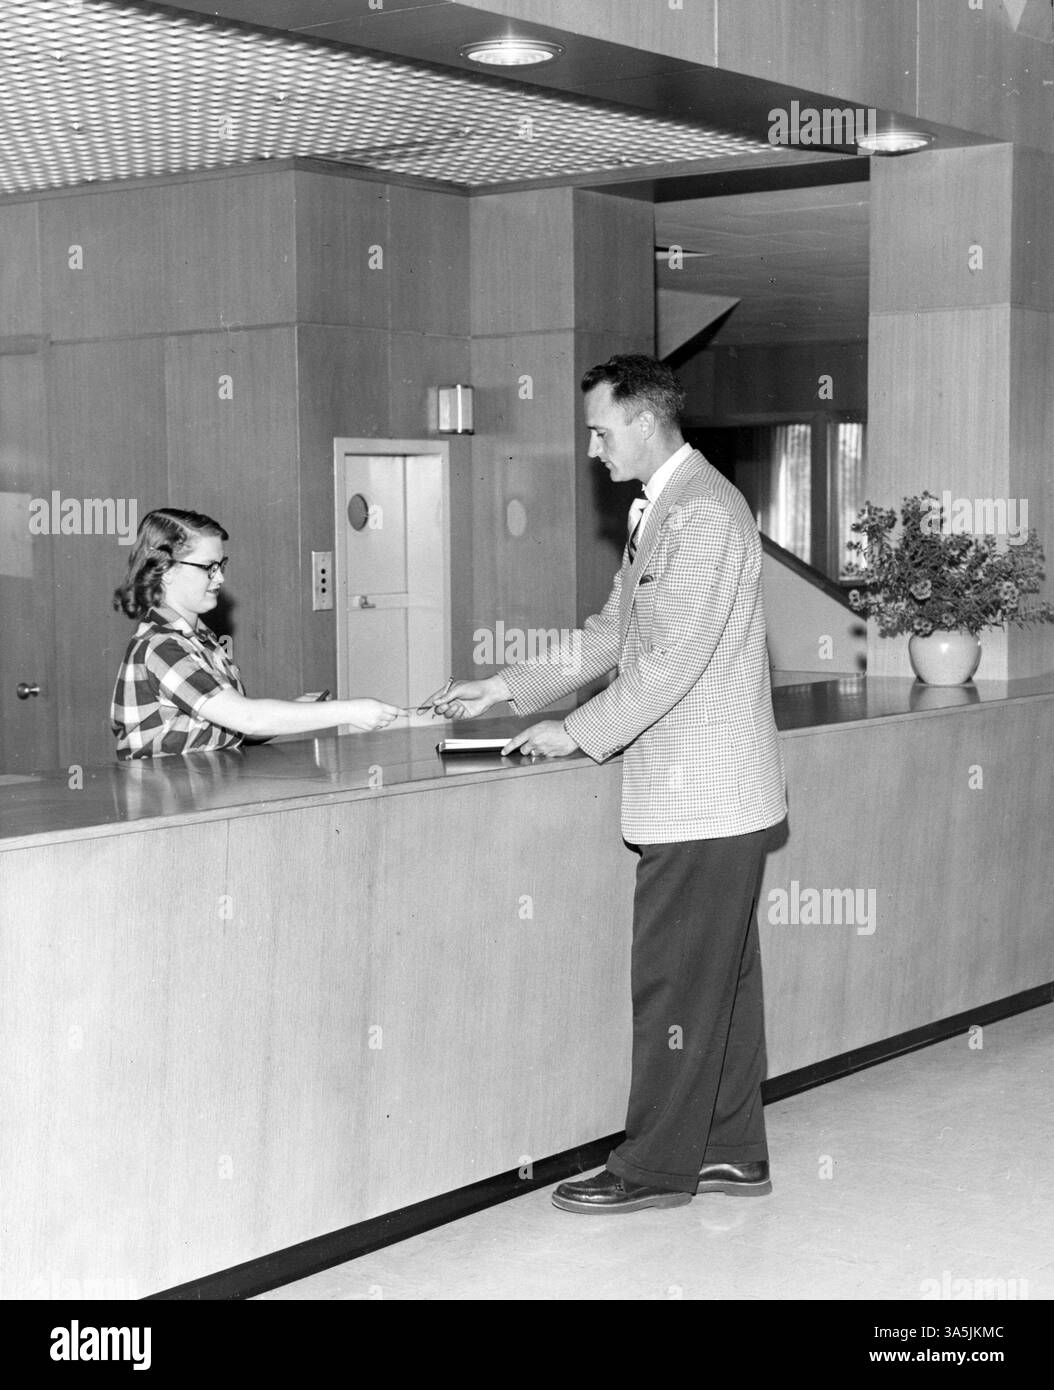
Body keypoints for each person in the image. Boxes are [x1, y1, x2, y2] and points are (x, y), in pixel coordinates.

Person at [425, 354, 787, 1214]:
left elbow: (670, 662)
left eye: (599, 428)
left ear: (645, 420)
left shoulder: (700, 513)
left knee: (673, 985)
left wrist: (577, 732)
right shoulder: (664, 510)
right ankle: (733, 1150)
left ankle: (654, 1168)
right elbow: (611, 633)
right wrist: (506, 689)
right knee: (717, 983)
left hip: (705, 799)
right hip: (712, 799)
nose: (592, 448)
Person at [111, 507, 398, 759]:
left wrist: (292, 710)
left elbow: (228, 727)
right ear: (166, 570)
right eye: (208, 568)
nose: (220, 578)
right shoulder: (161, 647)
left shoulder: (198, 639)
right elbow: (247, 718)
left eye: (221, 566)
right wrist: (349, 711)